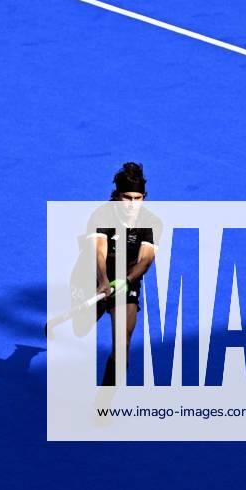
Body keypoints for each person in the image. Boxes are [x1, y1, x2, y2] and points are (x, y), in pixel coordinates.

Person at [86, 162, 161, 385]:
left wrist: (126, 281)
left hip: (128, 280)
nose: (132, 204)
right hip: (98, 276)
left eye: (137, 198)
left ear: (144, 197)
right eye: (127, 197)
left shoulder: (151, 222)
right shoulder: (101, 215)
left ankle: (104, 404)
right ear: (117, 195)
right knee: (80, 328)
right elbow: (99, 253)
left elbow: (145, 260)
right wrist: (103, 281)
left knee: (123, 343)